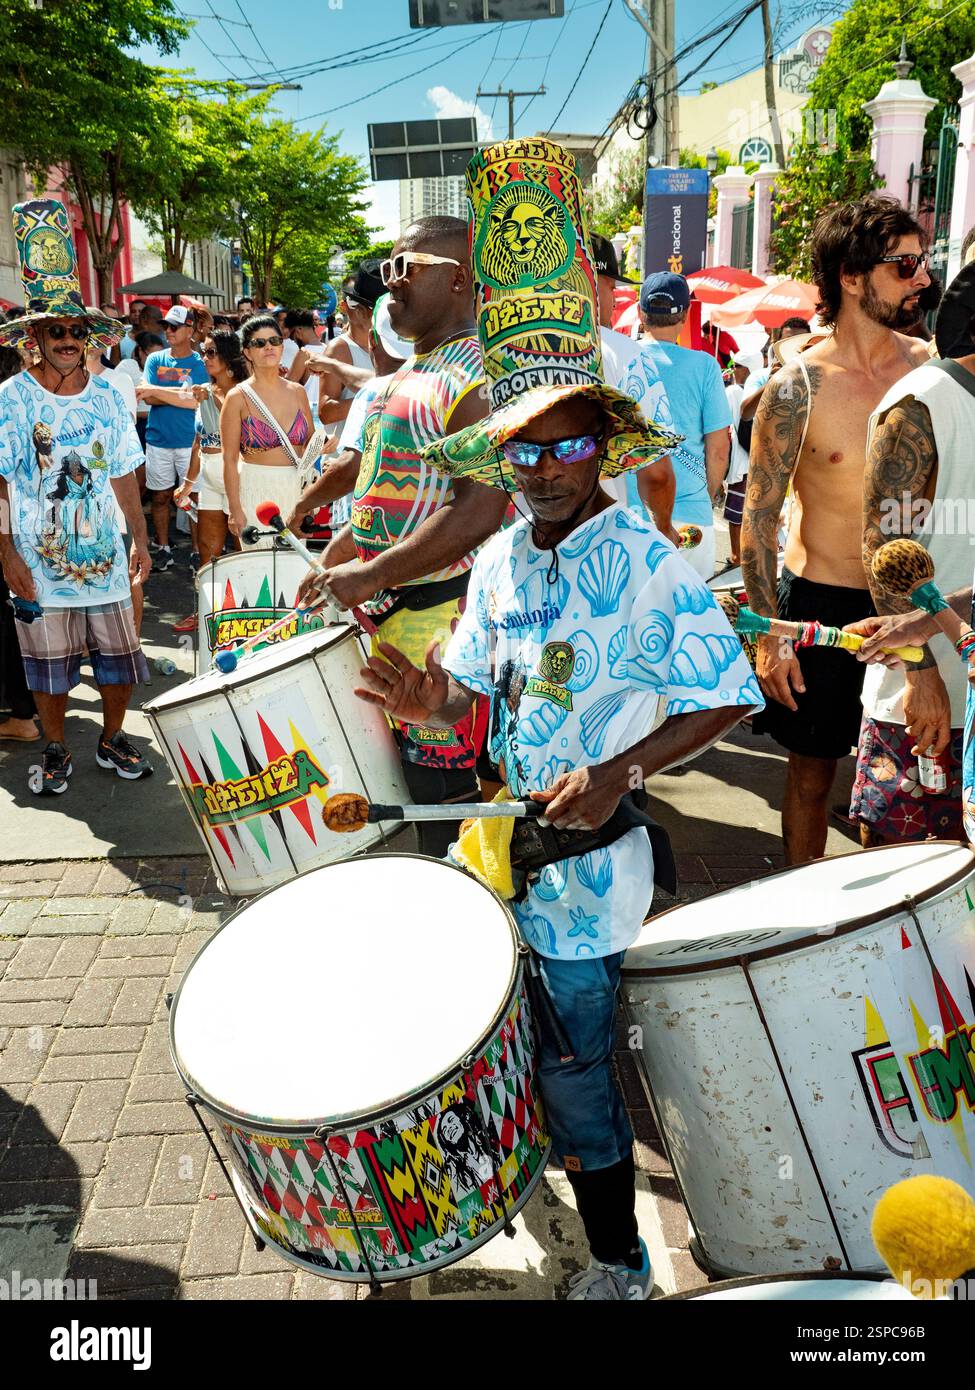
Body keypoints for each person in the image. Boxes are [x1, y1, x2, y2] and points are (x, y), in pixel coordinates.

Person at [352, 137, 759, 1301]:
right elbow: (482, 682)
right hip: (507, 851)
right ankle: (559, 1199)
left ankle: (625, 1262)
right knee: (518, 1042)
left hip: (589, 870)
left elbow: (725, 690)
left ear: (605, 447)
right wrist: (435, 695)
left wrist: (624, 768)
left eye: (567, 442)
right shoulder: (500, 557)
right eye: (520, 445)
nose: (540, 464)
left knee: (583, 1073)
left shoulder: (643, 560)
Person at [294, 217, 508, 851]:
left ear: (461, 279)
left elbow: (480, 508)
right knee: (413, 795)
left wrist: (374, 572)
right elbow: (382, 485)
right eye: (386, 270)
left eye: (404, 267)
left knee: (451, 806)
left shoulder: (475, 375)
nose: (389, 285)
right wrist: (340, 555)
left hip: (443, 625)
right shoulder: (404, 376)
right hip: (390, 619)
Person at [741, 195, 931, 864]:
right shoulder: (798, 387)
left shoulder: (932, 372)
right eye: (903, 265)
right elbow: (758, 522)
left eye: (921, 263)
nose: (922, 279)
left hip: (913, 610)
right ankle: (802, 915)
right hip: (819, 608)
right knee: (811, 773)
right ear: (850, 277)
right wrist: (768, 638)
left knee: (904, 782)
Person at [0, 197, 152, 794]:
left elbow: (121, 472)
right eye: (54, 330)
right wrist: (6, 553)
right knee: (47, 663)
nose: (67, 339)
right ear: (34, 337)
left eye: (75, 330)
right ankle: (57, 744)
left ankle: (113, 737)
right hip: (38, 558)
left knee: (119, 657)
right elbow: (4, 478)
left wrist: (139, 538)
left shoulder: (109, 394)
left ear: (88, 335)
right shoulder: (12, 397)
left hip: (105, 553)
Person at [842, 261, 975, 845]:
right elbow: (883, 548)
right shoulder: (923, 404)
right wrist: (921, 673)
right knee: (899, 884)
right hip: (921, 697)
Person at [617, 272, 731, 580]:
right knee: (691, 618)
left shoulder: (621, 358)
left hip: (631, 512)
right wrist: (703, 497)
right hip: (690, 516)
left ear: (641, 313)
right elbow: (719, 449)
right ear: (687, 314)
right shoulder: (705, 366)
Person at [590, 234, 677, 541]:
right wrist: (664, 528)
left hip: (517, 547)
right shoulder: (625, 354)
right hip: (600, 542)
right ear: (589, 278)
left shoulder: (509, 351)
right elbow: (656, 473)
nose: (614, 300)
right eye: (611, 287)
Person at [222, 314, 316, 546]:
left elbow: (310, 443)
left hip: (295, 489)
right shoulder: (237, 397)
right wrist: (235, 509)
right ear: (247, 352)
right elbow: (230, 459)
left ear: (282, 346)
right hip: (257, 491)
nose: (268, 347)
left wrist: (325, 445)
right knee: (261, 573)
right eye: (259, 343)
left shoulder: (298, 391)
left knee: (295, 570)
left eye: (274, 341)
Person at [136, 305, 208, 570]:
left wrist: (159, 392)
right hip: (159, 440)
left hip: (191, 442)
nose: (168, 331)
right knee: (159, 497)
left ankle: (198, 552)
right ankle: (163, 548)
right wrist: (179, 396)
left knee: (194, 499)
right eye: (166, 326)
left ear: (190, 330)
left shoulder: (200, 362)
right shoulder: (156, 360)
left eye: (174, 327)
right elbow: (147, 395)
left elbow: (197, 401)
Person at [174, 327, 249, 575]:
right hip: (208, 475)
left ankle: (246, 606)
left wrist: (210, 399)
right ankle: (213, 609)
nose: (204, 358)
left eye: (211, 352)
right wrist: (187, 484)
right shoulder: (205, 390)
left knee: (243, 550)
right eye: (203, 352)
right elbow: (200, 441)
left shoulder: (244, 391)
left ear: (228, 355)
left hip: (237, 474)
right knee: (208, 551)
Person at [314, 265, 383, 443]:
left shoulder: (394, 345)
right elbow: (325, 412)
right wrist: (378, 400)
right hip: (346, 458)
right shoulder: (339, 349)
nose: (366, 311)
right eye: (355, 302)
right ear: (345, 306)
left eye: (374, 305)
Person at [722, 353, 761, 566]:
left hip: (740, 463)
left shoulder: (735, 391)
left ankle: (737, 556)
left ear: (746, 369)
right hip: (758, 463)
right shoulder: (761, 390)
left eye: (736, 365)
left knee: (736, 515)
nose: (733, 369)